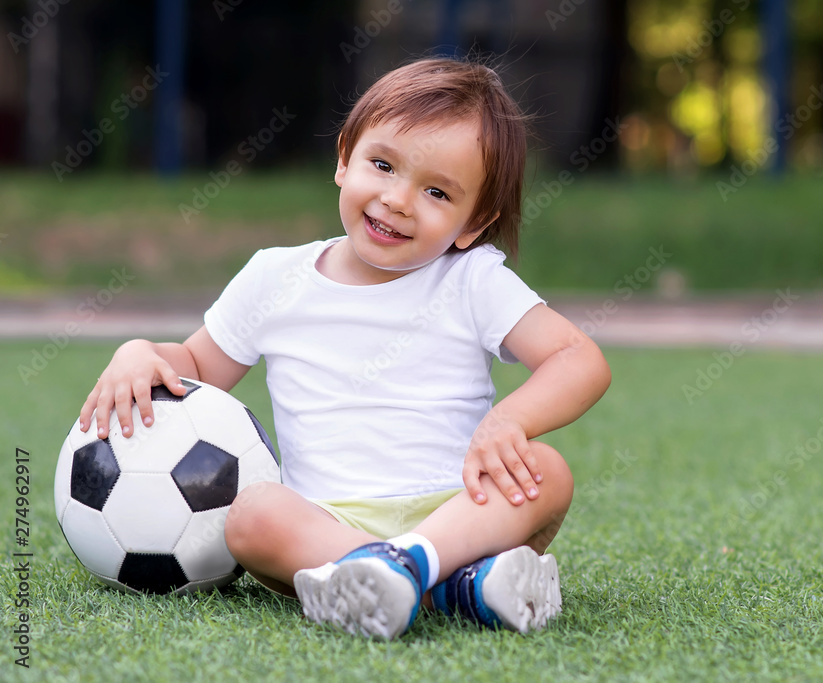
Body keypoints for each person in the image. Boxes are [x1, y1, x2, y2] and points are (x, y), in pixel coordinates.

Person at [79, 57, 611, 640]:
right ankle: (457, 588)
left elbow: (577, 358)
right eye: (382, 165)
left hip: (462, 509)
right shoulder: (275, 278)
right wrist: (139, 351)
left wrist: (511, 419)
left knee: (547, 471)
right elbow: (199, 367)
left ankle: (408, 572)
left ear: (473, 221)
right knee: (253, 515)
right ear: (344, 158)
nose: (398, 199)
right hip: (327, 524)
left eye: (436, 191)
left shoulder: (472, 280)